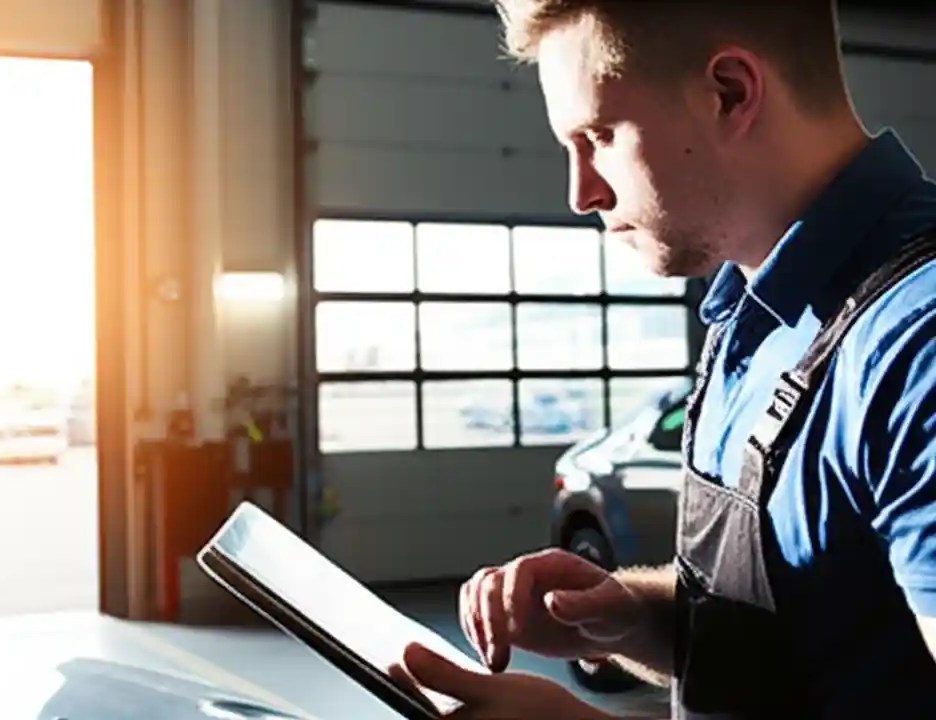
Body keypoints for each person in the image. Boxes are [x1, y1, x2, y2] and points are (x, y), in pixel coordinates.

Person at [388, 1, 936, 717]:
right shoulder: (750, 308)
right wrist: (625, 616)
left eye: (599, 135)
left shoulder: (915, 346)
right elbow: (822, 634)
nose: (581, 191)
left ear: (730, 92)